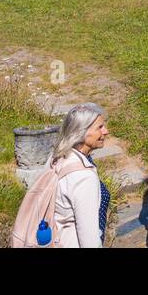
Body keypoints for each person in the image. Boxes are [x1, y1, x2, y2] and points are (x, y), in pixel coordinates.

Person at [51, 103, 111, 248]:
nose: (106, 131)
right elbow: (89, 239)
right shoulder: (83, 177)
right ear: (81, 132)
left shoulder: (59, 157)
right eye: (100, 127)